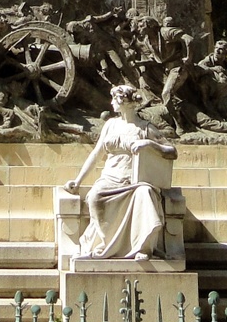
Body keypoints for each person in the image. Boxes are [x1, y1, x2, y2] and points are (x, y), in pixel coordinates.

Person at [62, 84, 177, 260]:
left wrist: (149, 144)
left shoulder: (145, 128)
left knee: (145, 194)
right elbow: (96, 153)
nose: (111, 103)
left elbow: (172, 151)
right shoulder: (110, 125)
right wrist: (77, 181)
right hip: (110, 178)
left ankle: (142, 248)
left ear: (124, 101)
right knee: (94, 197)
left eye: (114, 98)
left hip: (135, 180)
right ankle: (102, 246)